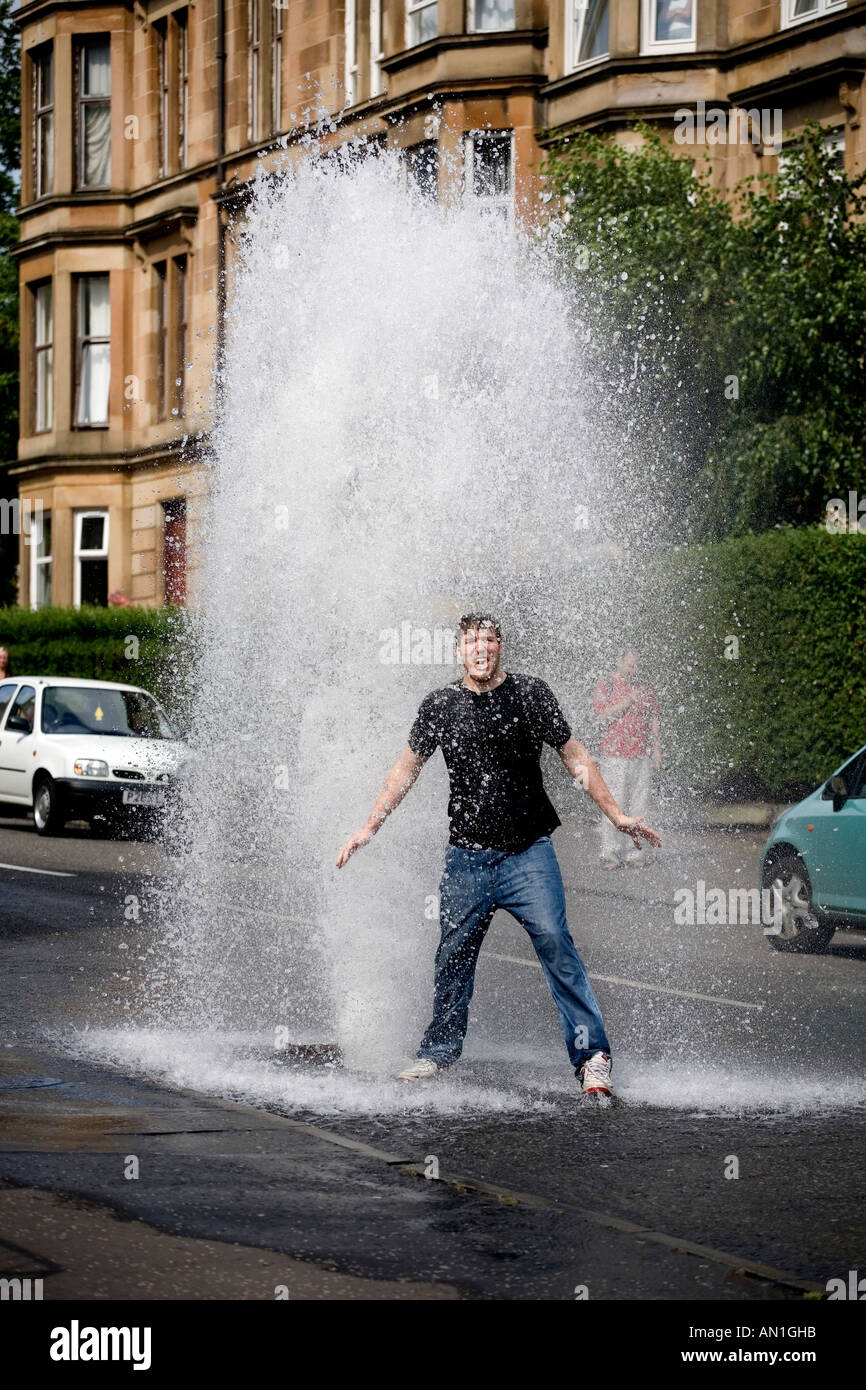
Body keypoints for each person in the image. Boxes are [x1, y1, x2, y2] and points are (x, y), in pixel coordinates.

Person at [336, 613, 661, 1097]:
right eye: (471, 641)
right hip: (466, 858)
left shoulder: (531, 695)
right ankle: (437, 1052)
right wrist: (369, 826)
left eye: (488, 640)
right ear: (459, 650)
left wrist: (616, 814)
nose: (480, 649)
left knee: (555, 941)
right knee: (452, 954)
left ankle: (592, 1057)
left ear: (500, 647)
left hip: (529, 852)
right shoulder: (440, 705)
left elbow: (575, 755)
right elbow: (406, 769)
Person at [592, 649, 661, 870]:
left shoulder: (646, 686)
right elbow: (601, 715)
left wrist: (656, 748)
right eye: (629, 666)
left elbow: (653, 717)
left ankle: (635, 853)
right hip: (615, 755)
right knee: (615, 804)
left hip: (641, 753)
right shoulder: (606, 685)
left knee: (639, 805)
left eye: (636, 666)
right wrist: (628, 700)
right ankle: (610, 854)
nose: (633, 670)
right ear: (620, 662)